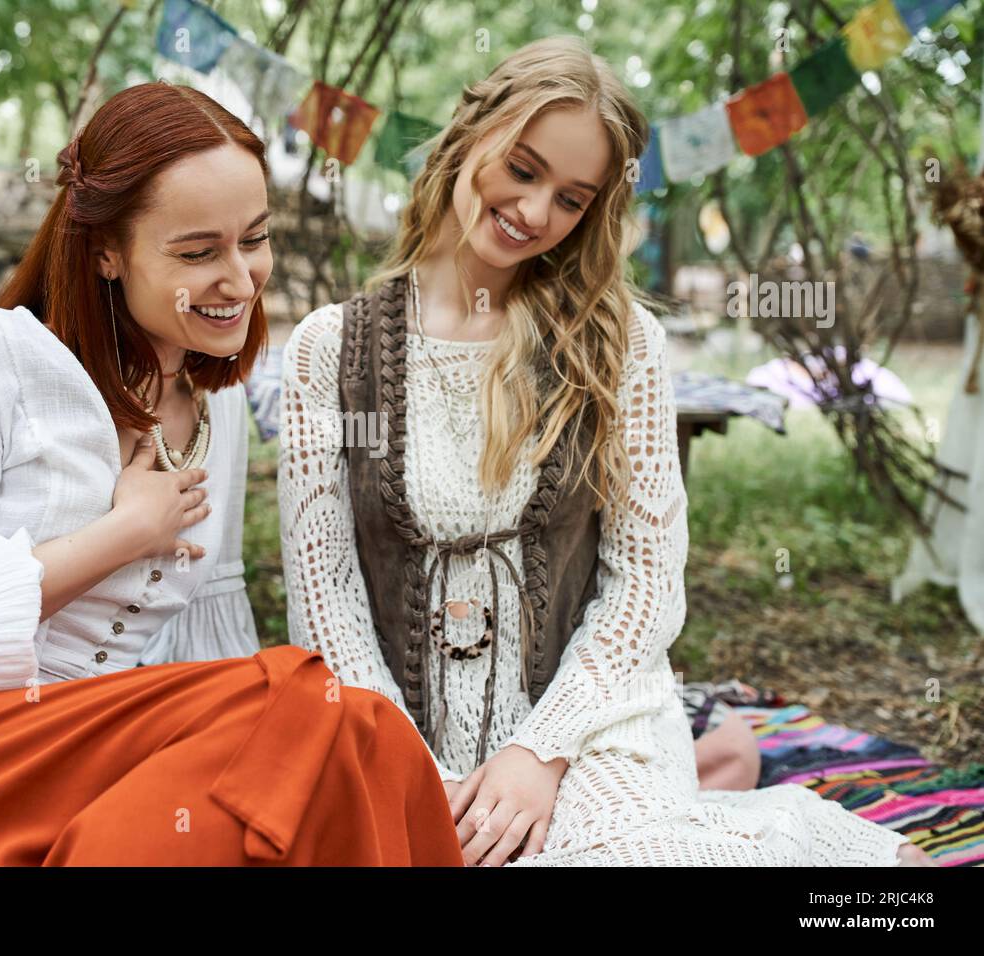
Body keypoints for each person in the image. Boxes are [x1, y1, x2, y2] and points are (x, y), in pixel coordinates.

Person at [0, 82, 463, 867]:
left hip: (74, 763)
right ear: (106, 250)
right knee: (307, 703)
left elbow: (206, 632)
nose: (240, 280)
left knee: (339, 735)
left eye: (256, 239)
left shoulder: (219, 404)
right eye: (198, 252)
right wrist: (123, 533)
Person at [277, 36, 934, 867]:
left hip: (593, 718)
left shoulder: (619, 344)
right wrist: (410, 771)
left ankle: (827, 852)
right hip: (393, 733)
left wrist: (540, 749)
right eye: (522, 167)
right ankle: (753, 823)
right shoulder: (325, 350)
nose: (536, 211)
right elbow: (325, 599)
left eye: (572, 198)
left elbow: (646, 585)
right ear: (470, 133)